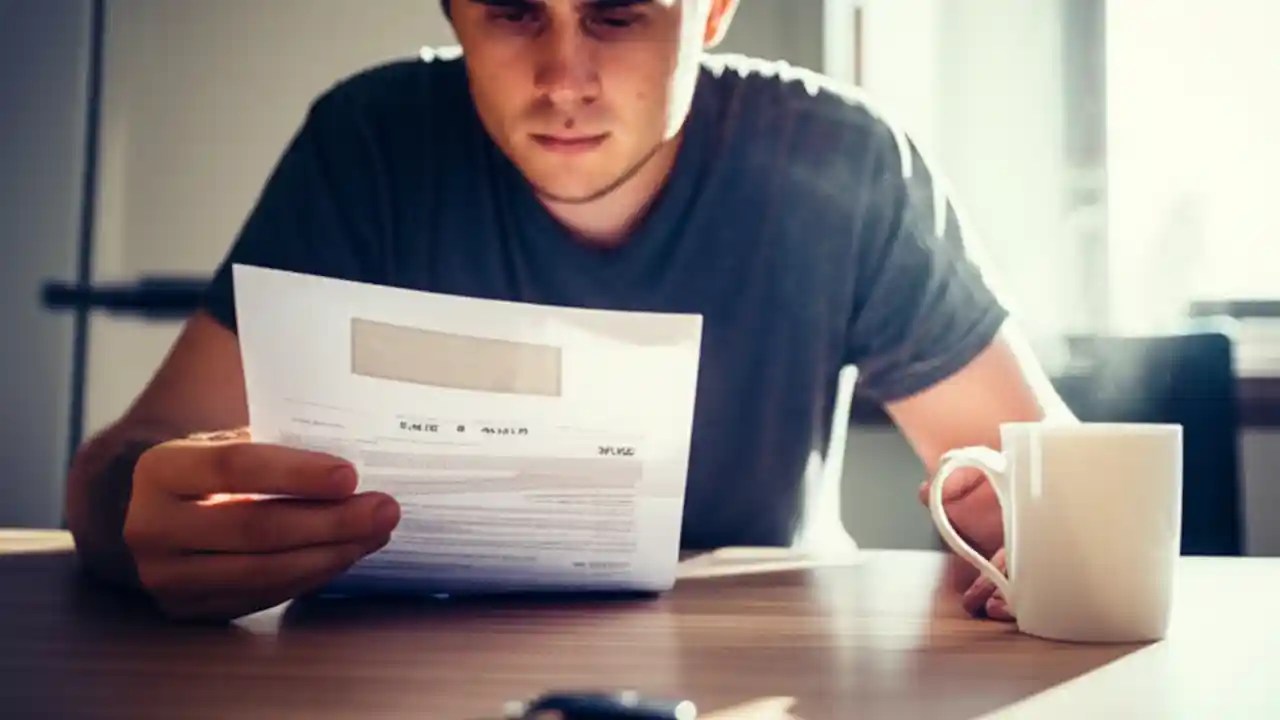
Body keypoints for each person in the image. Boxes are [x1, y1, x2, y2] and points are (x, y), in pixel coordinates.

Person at [66, 0, 1070, 621]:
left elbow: (1040, 487)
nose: (562, 80)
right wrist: (139, 522)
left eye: (618, 12)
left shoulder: (840, 160)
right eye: (511, 11)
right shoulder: (367, 145)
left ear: (712, 9)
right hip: (403, 683)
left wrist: (1033, 533)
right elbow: (128, 460)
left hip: (753, 673)